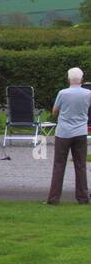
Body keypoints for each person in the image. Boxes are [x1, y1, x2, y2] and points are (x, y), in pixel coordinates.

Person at [47, 67, 91, 205]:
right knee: (80, 165)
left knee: (59, 165)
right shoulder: (88, 93)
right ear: (82, 80)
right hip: (81, 132)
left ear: (68, 79)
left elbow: (54, 112)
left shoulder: (63, 93)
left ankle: (54, 199)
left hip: (63, 133)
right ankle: (83, 198)